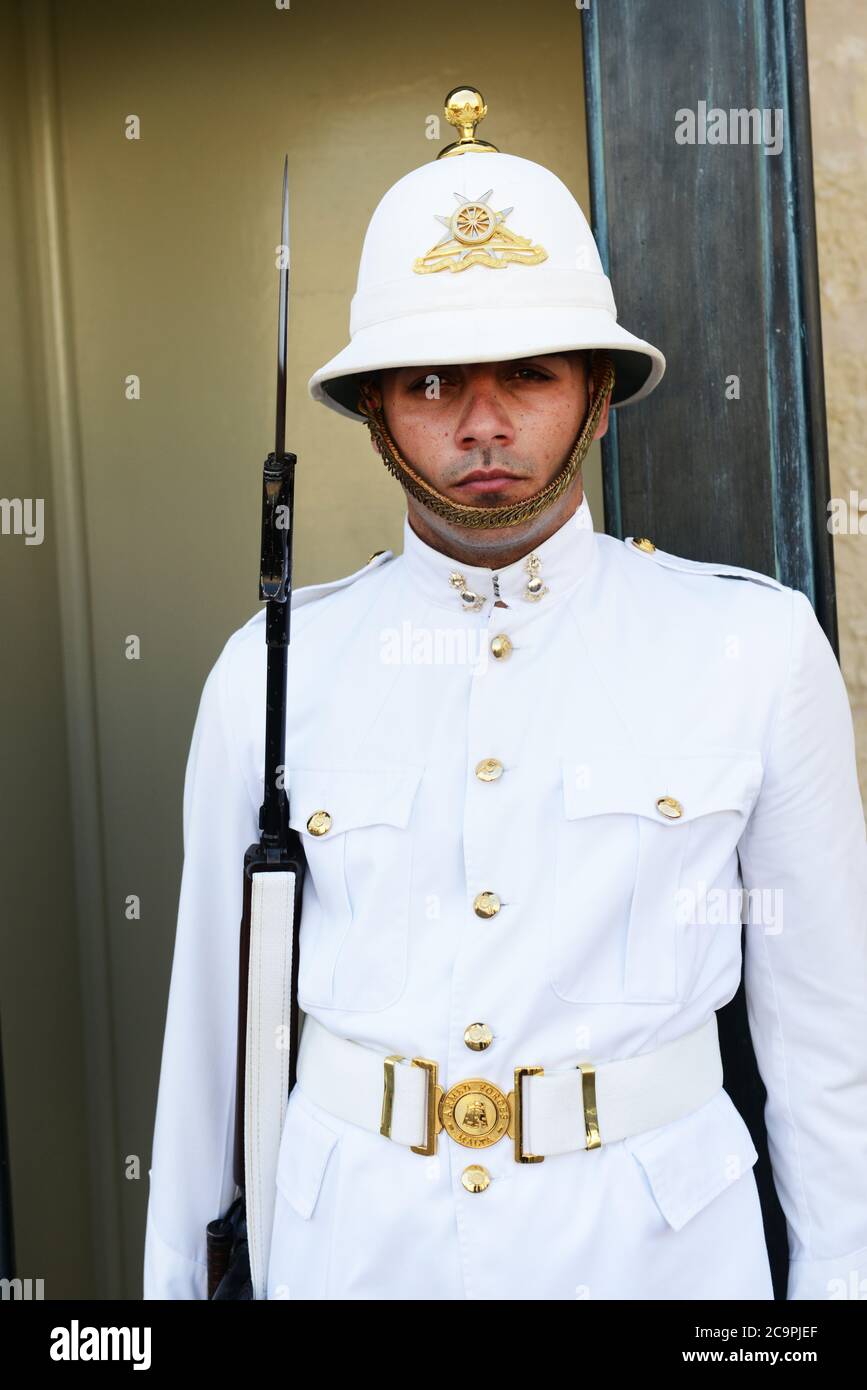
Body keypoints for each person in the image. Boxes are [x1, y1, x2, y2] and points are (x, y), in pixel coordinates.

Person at [144, 87, 867, 1300]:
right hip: (354, 1253)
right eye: (431, 382)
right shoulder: (270, 671)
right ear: (374, 407)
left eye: (526, 374)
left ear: (594, 388)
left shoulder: (754, 647)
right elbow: (210, 1039)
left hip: (659, 1263)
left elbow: (826, 1045)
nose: (482, 424)